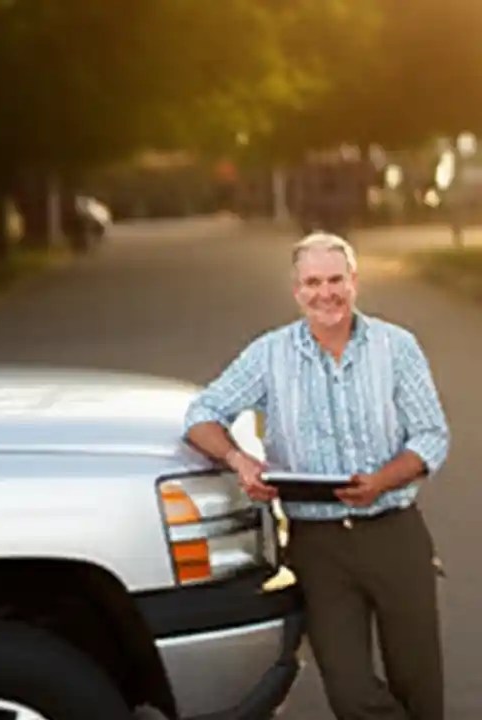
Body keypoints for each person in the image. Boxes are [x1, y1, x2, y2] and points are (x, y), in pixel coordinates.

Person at [183, 232, 450, 720]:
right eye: (312, 282)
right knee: (349, 693)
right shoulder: (270, 354)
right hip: (317, 544)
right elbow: (201, 413)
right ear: (296, 291)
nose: (325, 292)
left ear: (354, 282)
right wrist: (240, 460)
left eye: (335, 279)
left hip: (394, 531)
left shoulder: (397, 347)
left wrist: (381, 480)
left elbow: (432, 436)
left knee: (420, 686)